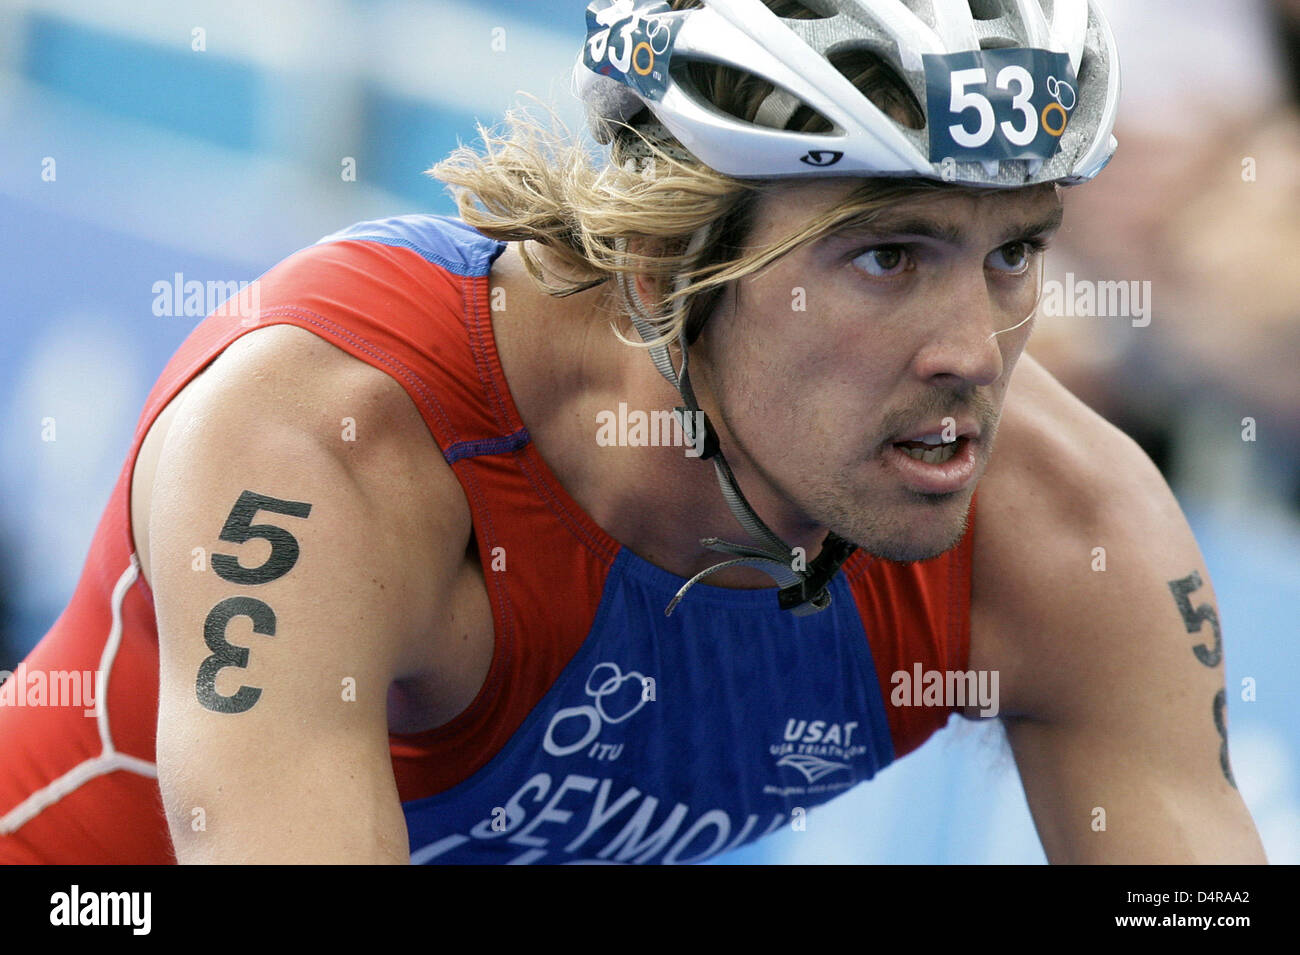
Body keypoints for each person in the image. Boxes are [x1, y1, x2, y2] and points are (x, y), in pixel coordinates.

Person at [0, 0, 1266, 864]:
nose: (971, 352)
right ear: (666, 265)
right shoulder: (330, 442)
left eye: (1014, 255)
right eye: (888, 256)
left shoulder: (1065, 529)